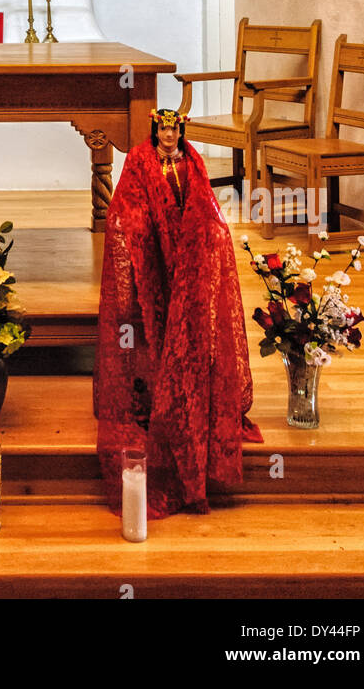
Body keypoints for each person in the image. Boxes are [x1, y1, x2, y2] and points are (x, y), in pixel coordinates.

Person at [94, 108, 263, 518]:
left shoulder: (192, 162)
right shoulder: (139, 160)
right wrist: (142, 232)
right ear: (156, 130)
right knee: (152, 331)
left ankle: (184, 401)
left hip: (186, 259)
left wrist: (204, 238)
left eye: (174, 129)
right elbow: (124, 208)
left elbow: (205, 205)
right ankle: (154, 398)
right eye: (163, 129)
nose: (169, 135)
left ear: (181, 131)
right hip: (153, 255)